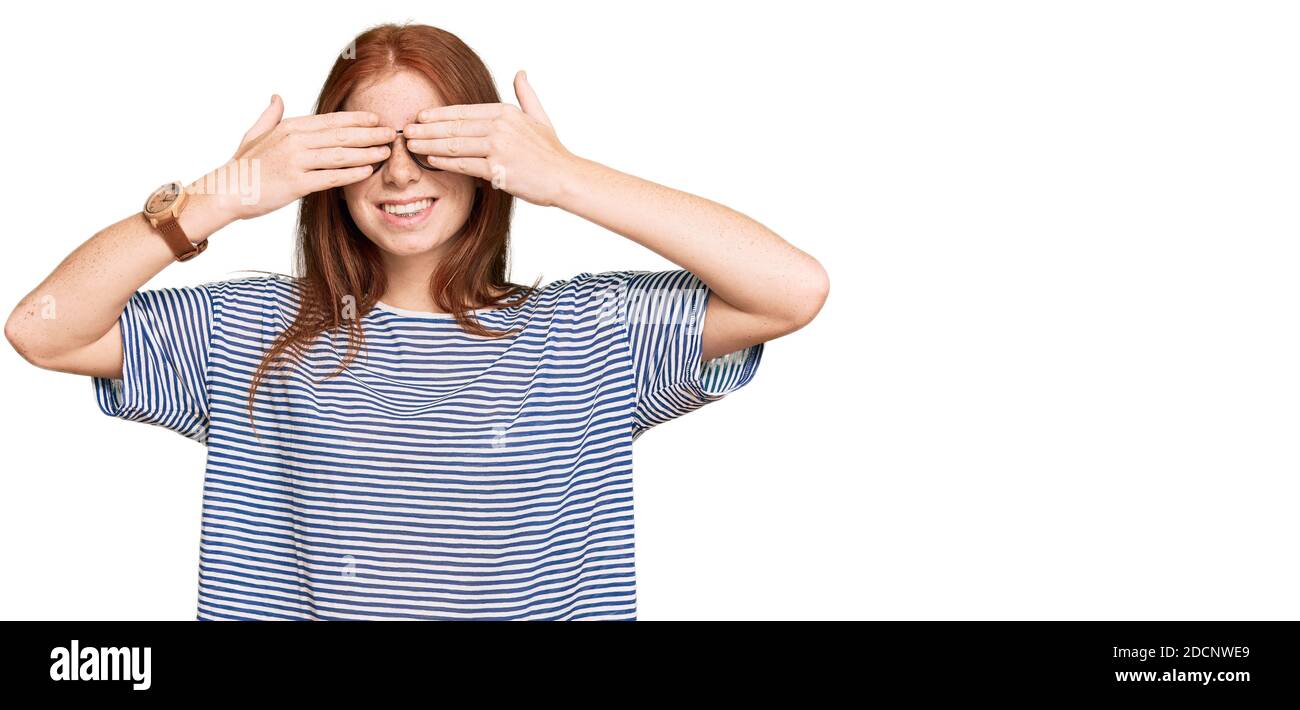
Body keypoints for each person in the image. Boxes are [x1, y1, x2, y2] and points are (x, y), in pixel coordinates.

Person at [4, 23, 828, 620]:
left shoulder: (592, 333)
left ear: (487, 159)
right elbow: (44, 328)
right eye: (369, 146)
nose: (400, 173)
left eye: (433, 141)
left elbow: (790, 289)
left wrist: (568, 177)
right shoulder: (250, 329)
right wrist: (222, 194)